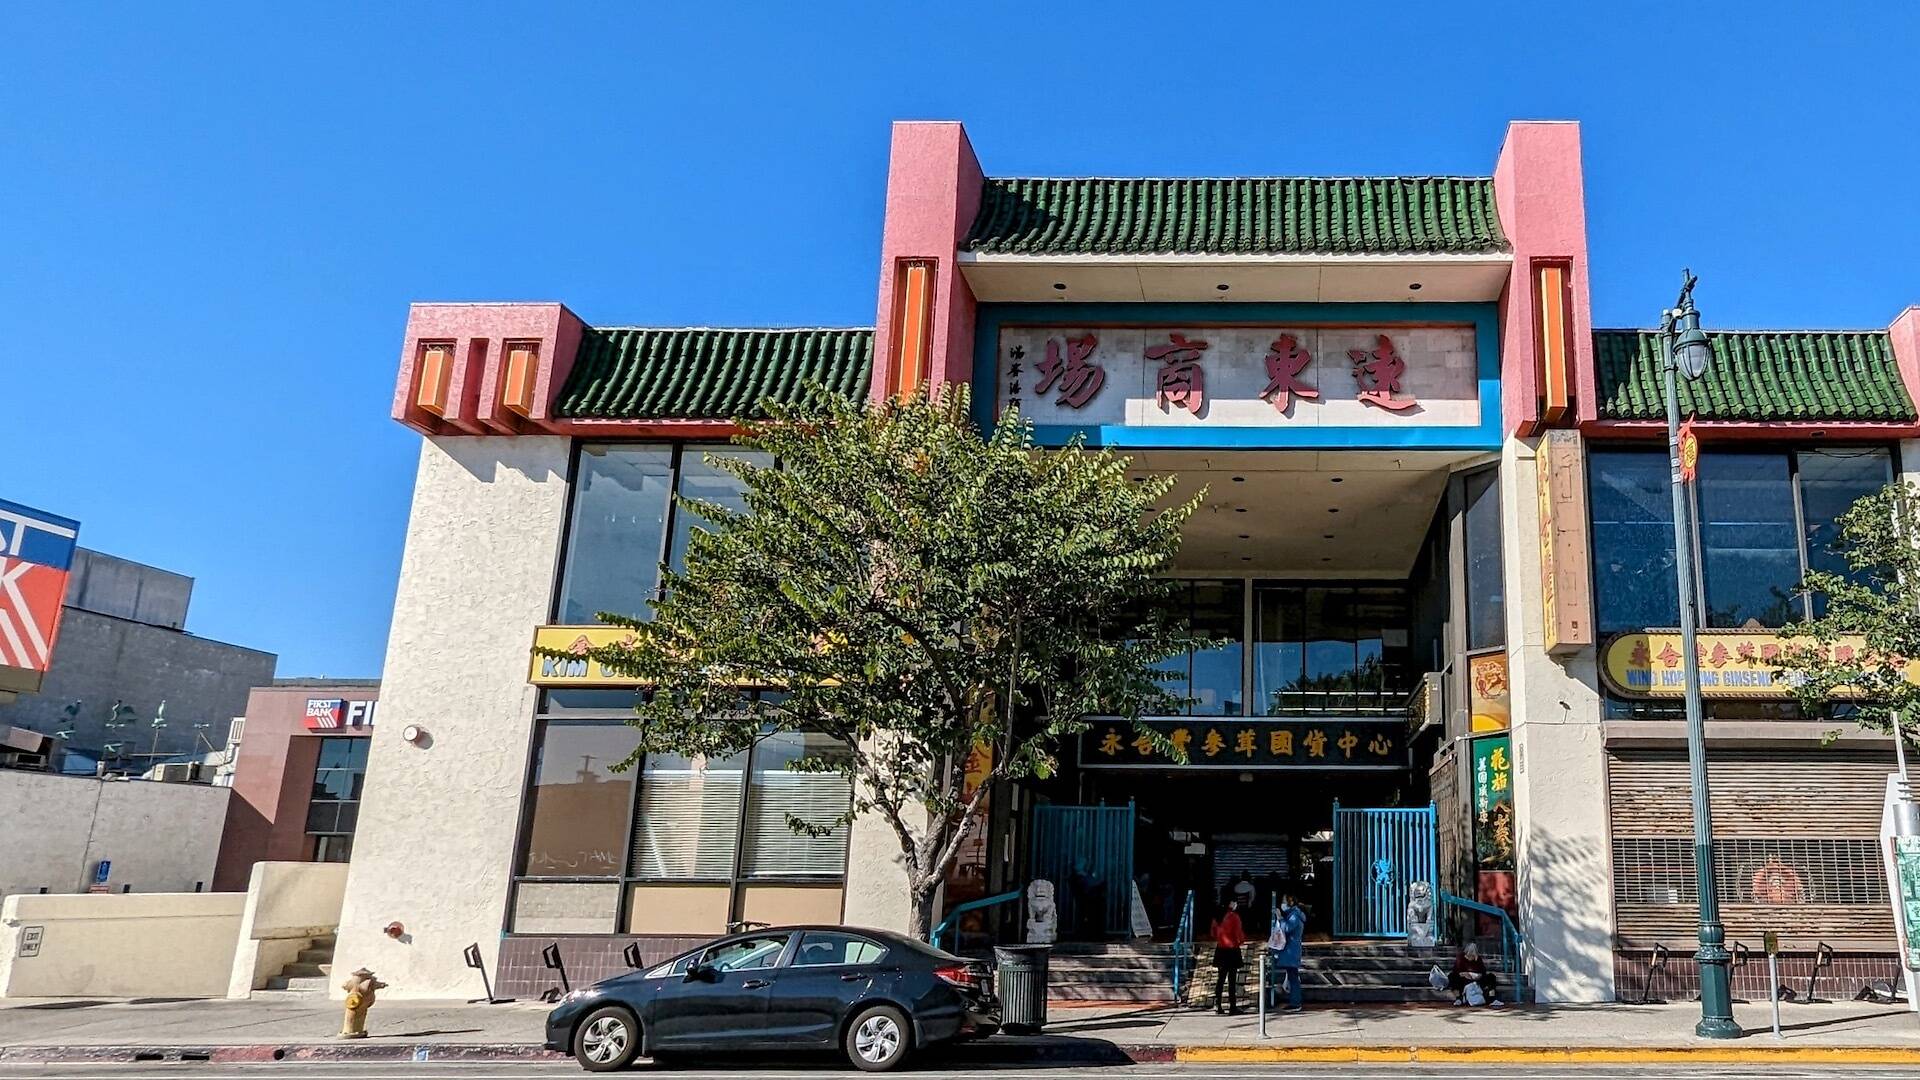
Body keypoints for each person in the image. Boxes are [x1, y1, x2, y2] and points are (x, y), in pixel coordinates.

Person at [1267, 893, 1307, 1012]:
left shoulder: (1294, 915)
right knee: (1292, 975)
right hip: (1291, 949)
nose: (1282, 904)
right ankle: (1294, 1001)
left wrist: (1280, 918)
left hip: (1292, 950)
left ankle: (1295, 1003)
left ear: (1290, 902)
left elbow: (1287, 928)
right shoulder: (1293, 914)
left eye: (1284, 901)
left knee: (1293, 977)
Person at [1211, 898, 1246, 1014]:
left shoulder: (1217, 916)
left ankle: (1218, 1005)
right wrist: (1240, 941)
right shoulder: (1234, 917)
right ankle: (1232, 1006)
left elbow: (1213, 933)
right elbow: (1238, 933)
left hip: (1220, 949)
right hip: (1232, 950)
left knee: (1220, 979)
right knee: (1232, 980)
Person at [1450, 942, 1502, 1007]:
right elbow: (1456, 971)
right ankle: (1458, 999)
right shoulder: (1460, 958)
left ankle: (1492, 999)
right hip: (1464, 980)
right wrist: (1465, 974)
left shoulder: (1478, 959)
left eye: (1473, 955)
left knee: (1491, 976)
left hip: (1476, 980)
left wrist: (1478, 975)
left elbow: (1483, 971)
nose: (1471, 957)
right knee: (1452, 977)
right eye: (1470, 955)